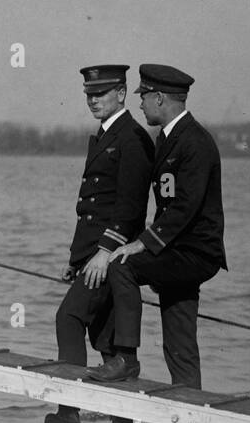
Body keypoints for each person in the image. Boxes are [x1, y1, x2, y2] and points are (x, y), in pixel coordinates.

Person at [90, 64, 227, 389]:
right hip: (178, 252)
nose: (140, 104)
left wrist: (141, 245)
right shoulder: (170, 138)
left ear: (161, 98)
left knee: (122, 266)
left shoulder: (194, 142)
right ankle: (191, 416)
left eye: (144, 96)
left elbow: (184, 207)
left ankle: (126, 358)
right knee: (179, 343)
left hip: (194, 253)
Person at [45, 64, 155, 423]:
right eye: (89, 94)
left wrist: (105, 252)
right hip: (94, 256)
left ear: (121, 94)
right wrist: (78, 259)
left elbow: (130, 206)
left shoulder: (133, 138)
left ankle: (69, 412)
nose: (93, 100)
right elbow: (93, 207)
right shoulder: (107, 134)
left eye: (101, 93)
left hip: (111, 255)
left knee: (69, 318)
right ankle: (123, 422)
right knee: (105, 337)